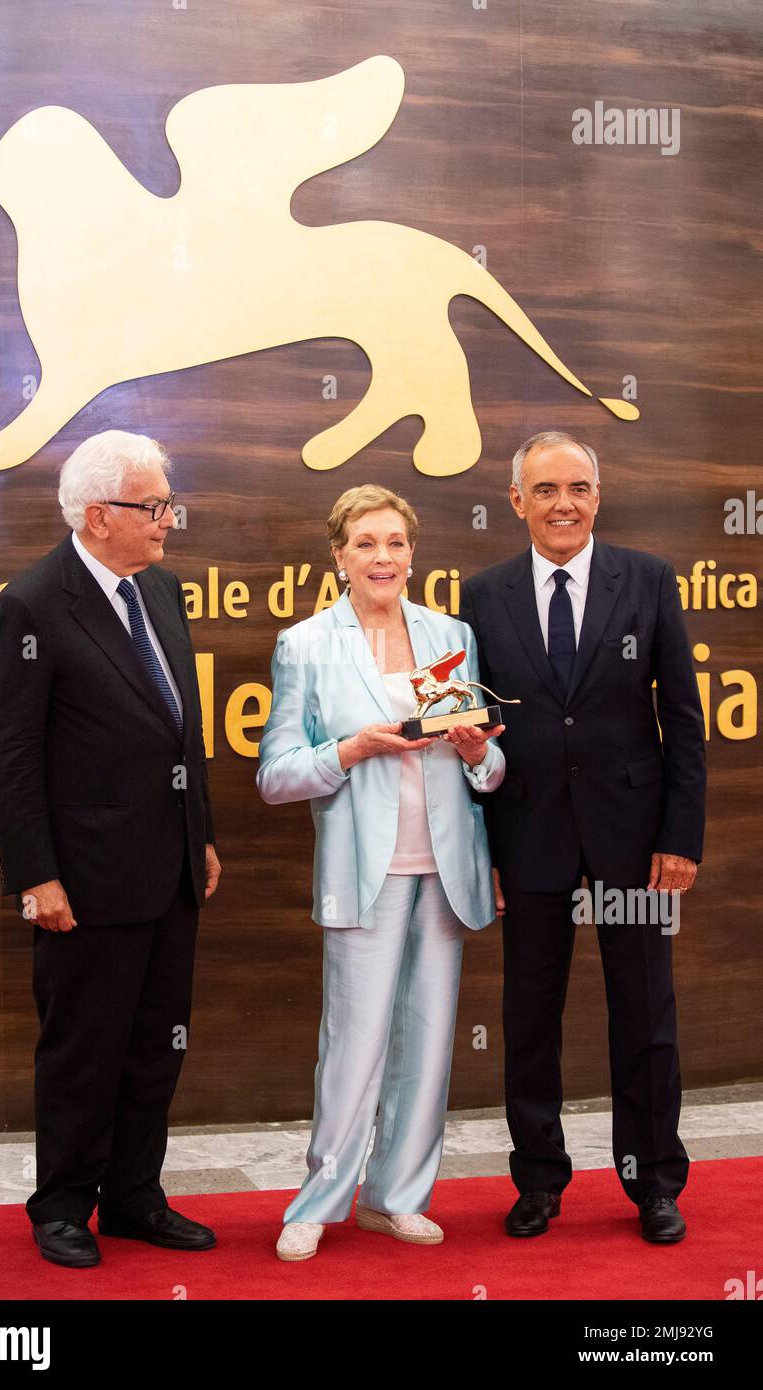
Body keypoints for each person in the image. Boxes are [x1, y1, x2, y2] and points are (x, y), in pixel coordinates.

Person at [0, 429, 221, 1268]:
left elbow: (180, 733)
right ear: (95, 515)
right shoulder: (33, 606)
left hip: (170, 869)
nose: (167, 521)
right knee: (84, 1049)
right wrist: (35, 874)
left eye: (166, 503)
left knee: (157, 1043)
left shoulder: (160, 593)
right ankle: (62, 1207)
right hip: (83, 879)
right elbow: (9, 758)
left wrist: (204, 835)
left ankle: (133, 1197)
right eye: (151, 507)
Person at [459, 431, 706, 1244]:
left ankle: (653, 1183)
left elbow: (683, 722)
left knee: (646, 1014)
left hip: (633, 844)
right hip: (528, 840)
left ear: (597, 499)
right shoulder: (483, 595)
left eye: (578, 489)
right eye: (546, 490)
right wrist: (484, 850)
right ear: (516, 502)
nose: (563, 503)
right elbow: (476, 731)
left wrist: (680, 836)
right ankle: (538, 1182)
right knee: (530, 1017)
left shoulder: (648, 579)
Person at [256, 484, 505, 1261]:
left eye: (395, 543)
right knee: (355, 1043)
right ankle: (319, 1201)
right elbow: (275, 775)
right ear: (338, 556)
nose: (383, 557)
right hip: (362, 872)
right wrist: (352, 750)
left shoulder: (448, 633)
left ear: (412, 553)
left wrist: (475, 751)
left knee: (429, 1046)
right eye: (366, 543)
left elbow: (492, 770)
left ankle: (396, 1198)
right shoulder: (306, 645)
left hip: (446, 870)